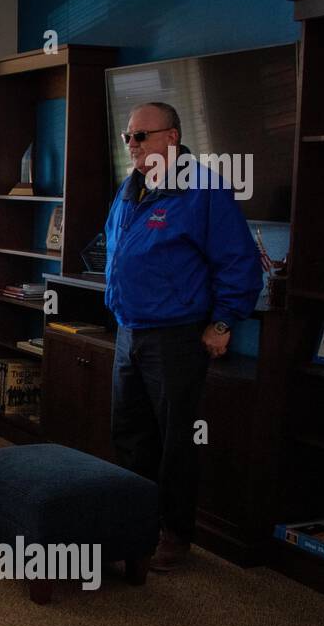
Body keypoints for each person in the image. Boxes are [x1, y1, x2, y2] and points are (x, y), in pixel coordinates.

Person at [104, 102, 263, 571]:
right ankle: (136, 526)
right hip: (128, 332)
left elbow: (239, 262)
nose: (132, 145)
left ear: (171, 138)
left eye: (141, 136)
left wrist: (222, 322)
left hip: (174, 336)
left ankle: (175, 535)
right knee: (130, 434)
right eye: (128, 137)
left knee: (175, 440)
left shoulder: (203, 190)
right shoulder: (130, 188)